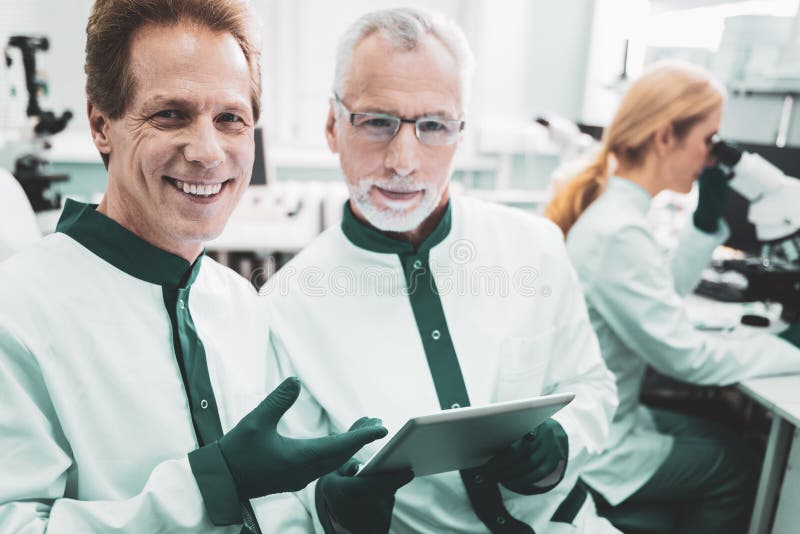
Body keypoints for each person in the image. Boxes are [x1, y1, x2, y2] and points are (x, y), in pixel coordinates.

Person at [0, 1, 390, 532]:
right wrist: (209, 484)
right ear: (100, 125)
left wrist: (327, 510)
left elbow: (271, 506)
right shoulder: (17, 312)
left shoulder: (240, 305)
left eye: (231, 119)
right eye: (170, 115)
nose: (208, 152)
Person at [263, 8, 621, 533]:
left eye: (433, 126)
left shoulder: (536, 247)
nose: (404, 160)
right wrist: (327, 507)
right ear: (332, 126)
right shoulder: (286, 308)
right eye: (377, 121)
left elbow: (593, 385)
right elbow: (291, 482)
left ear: (460, 134)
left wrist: (563, 439)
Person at [545, 61, 800, 534]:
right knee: (740, 464)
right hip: (601, 444)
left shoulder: (616, 212)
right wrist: (788, 349)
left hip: (617, 414)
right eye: (710, 141)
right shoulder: (620, 231)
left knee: (722, 433)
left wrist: (704, 227)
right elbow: (686, 358)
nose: (712, 158)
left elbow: (657, 293)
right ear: (666, 137)